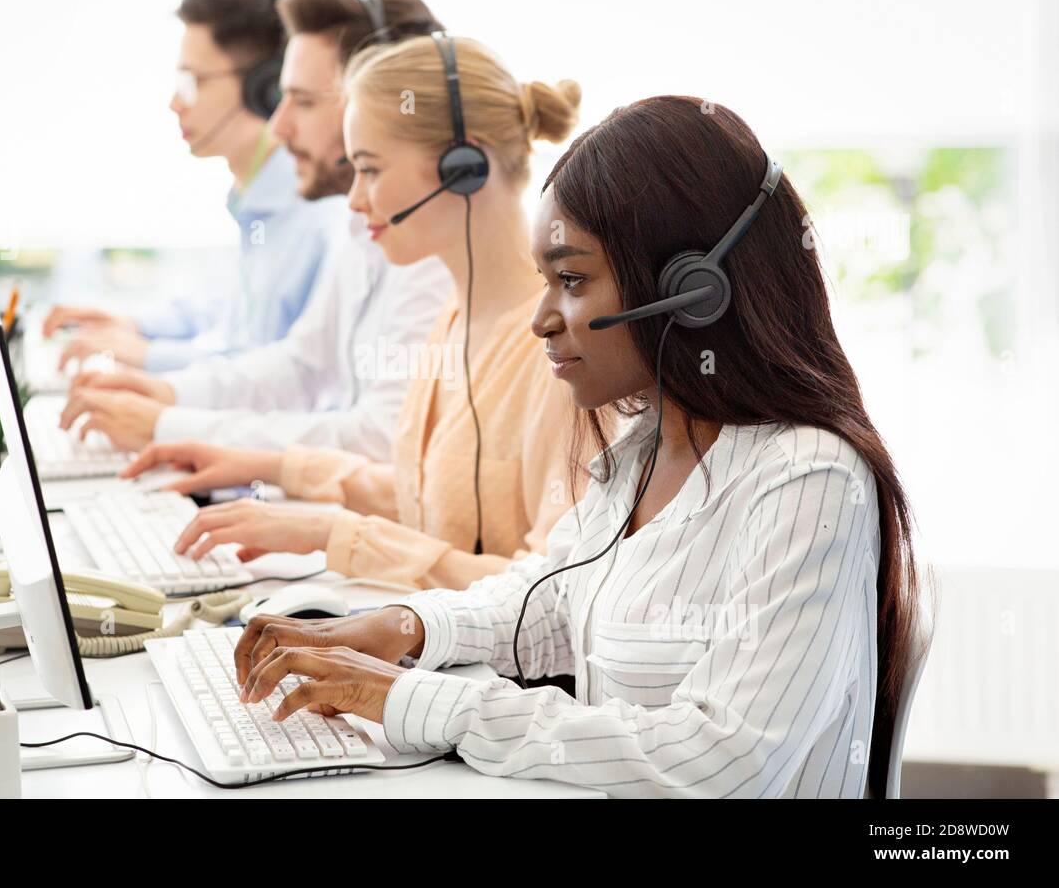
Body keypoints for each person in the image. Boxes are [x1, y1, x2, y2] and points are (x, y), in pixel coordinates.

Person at [225, 97, 924, 799]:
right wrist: (402, 626)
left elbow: (722, 758)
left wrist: (410, 700)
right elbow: (551, 600)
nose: (541, 319)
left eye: (573, 280)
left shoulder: (808, 479)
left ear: (692, 291)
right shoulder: (647, 443)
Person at [122, 34, 587, 590]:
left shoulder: (560, 351)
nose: (354, 199)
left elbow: (549, 588)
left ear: (465, 167)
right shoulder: (456, 320)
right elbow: (437, 495)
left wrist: (338, 536)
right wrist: (274, 469)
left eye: (370, 169)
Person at [57, 0, 454, 460]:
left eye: (304, 102)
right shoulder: (359, 229)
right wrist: (168, 395)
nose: (279, 126)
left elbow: (380, 441)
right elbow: (301, 364)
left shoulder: (430, 252)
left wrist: (168, 425)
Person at [43, 0, 339, 373]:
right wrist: (136, 327)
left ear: (263, 88)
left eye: (193, 81)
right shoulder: (257, 201)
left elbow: (267, 367)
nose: (174, 102)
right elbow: (232, 311)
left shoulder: (314, 214)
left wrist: (143, 355)